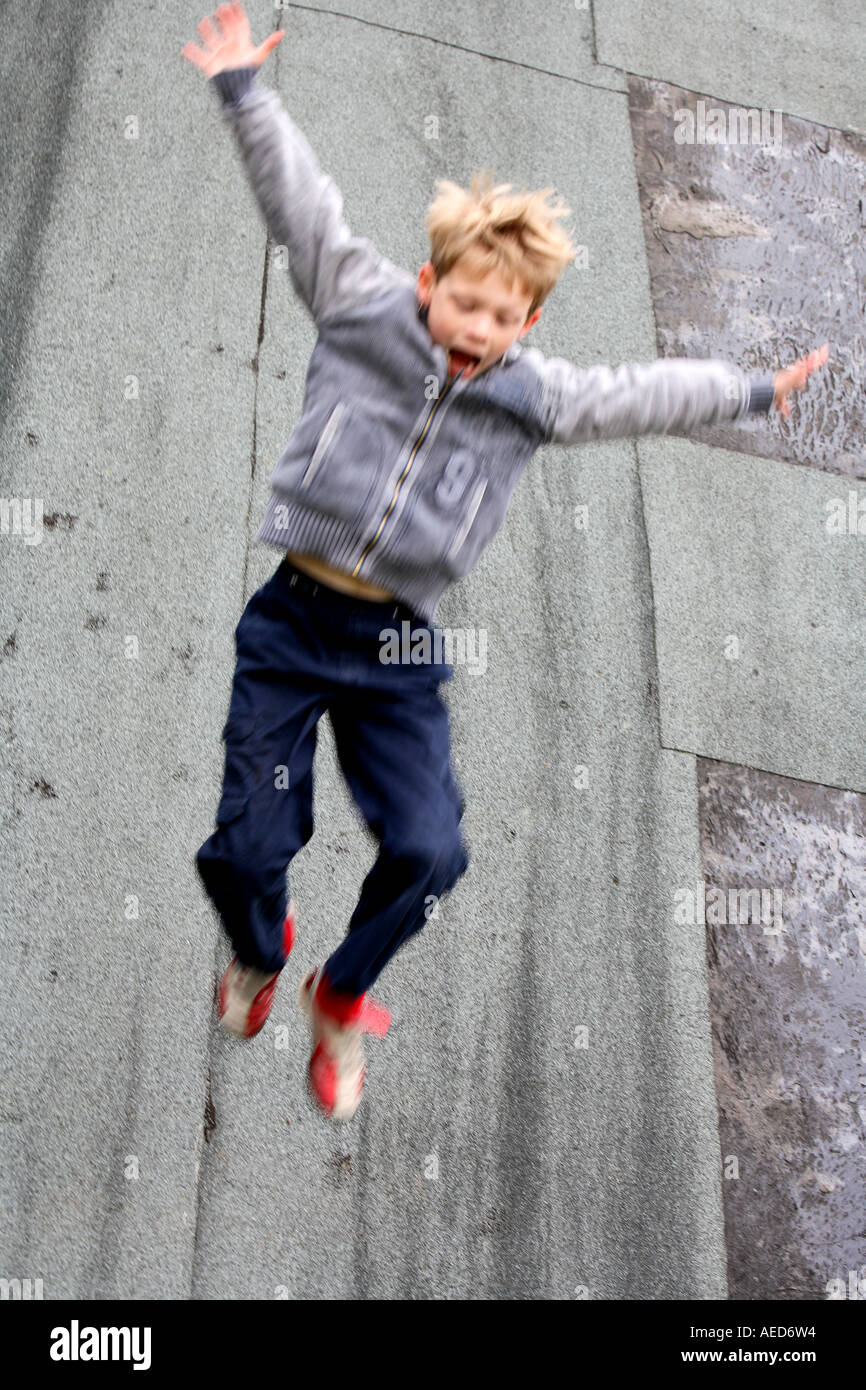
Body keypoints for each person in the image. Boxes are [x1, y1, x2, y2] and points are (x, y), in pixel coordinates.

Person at [182, 2, 829, 1122]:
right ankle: (258, 945)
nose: (477, 328)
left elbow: (637, 394)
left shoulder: (535, 397)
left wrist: (747, 389)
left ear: (527, 322)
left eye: (503, 316)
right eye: (464, 303)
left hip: (393, 646)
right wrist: (244, 91)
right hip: (293, 625)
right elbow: (301, 204)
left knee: (432, 849)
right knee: (245, 845)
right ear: (430, 286)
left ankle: (339, 998)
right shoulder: (360, 306)